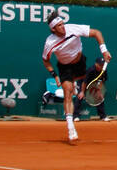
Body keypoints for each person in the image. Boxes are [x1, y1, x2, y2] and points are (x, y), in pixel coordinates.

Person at [41, 15, 111, 144]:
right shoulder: (50, 43)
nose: (63, 27)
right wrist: (54, 75)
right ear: (53, 30)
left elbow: (96, 33)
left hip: (80, 64)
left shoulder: (72, 28)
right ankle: (71, 128)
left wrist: (104, 51)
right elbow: (46, 61)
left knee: (77, 82)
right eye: (59, 26)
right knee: (67, 92)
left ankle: (74, 82)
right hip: (64, 67)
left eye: (62, 23)